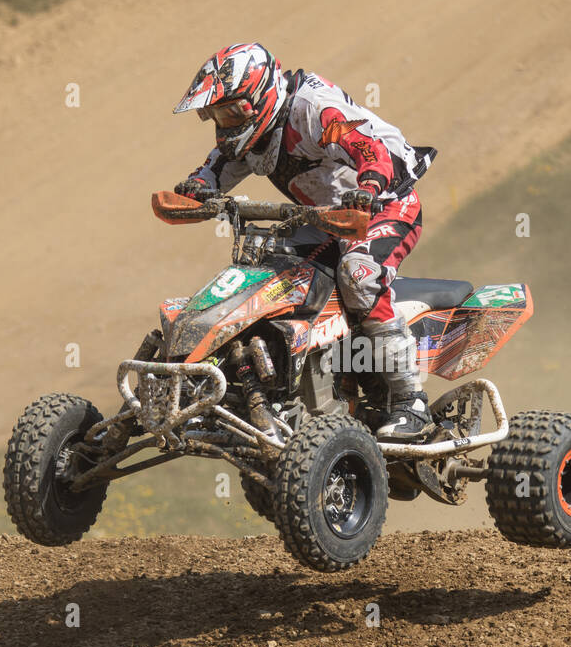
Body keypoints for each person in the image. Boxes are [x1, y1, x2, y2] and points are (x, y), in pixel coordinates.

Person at [172, 42, 437, 441]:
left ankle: (410, 400)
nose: (226, 123)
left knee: (358, 273)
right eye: (217, 114)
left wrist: (367, 187)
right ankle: (270, 386)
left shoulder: (313, 109)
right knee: (268, 270)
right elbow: (211, 174)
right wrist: (192, 192)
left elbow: (374, 152)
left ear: (261, 95)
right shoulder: (252, 136)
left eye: (232, 111)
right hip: (324, 217)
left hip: (384, 203)